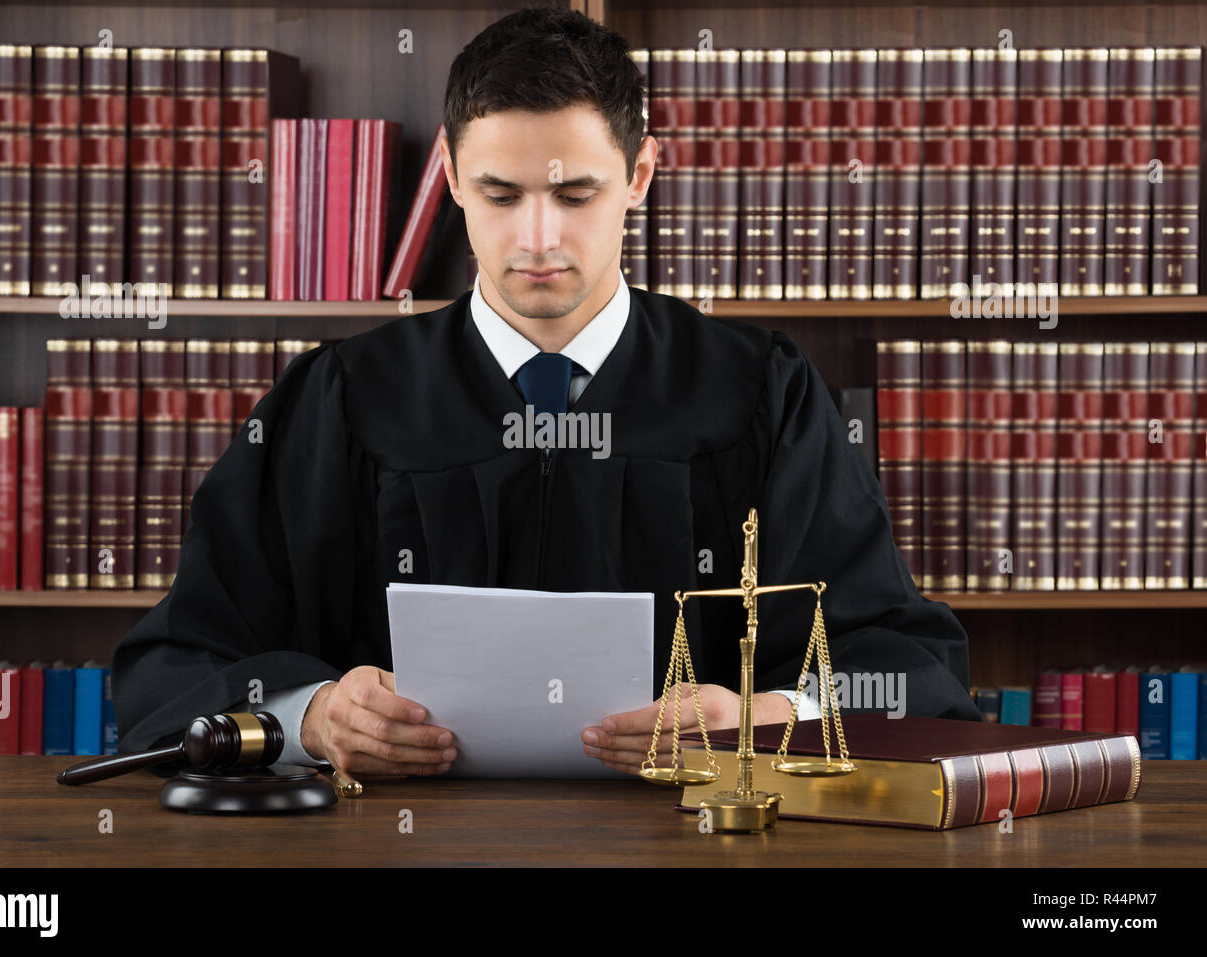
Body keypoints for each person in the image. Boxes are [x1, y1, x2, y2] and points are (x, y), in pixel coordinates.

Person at [113, 8, 980, 778]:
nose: (537, 238)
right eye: (500, 193)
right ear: (449, 174)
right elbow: (173, 662)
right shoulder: (345, 398)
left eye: (575, 193)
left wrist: (772, 716)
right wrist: (310, 715)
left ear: (641, 174)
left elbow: (907, 663)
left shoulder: (760, 393)